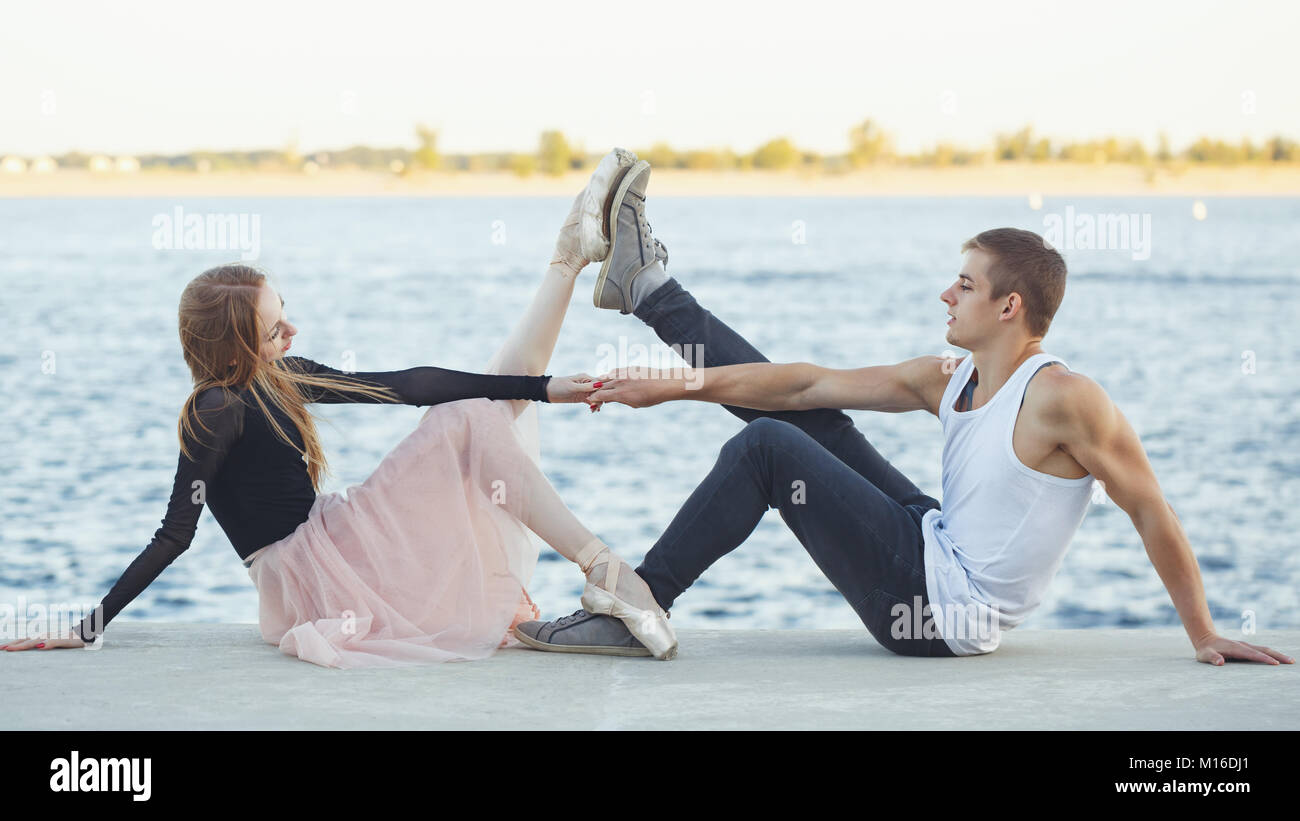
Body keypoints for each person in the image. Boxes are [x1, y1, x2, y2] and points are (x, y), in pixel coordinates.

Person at [515, 158, 1294, 667]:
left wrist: (1203, 632)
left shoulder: (1066, 398)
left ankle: (636, 605)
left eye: (964, 284)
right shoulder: (946, 377)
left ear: (1008, 305)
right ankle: (647, 288)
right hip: (933, 543)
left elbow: (1150, 506)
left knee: (772, 450)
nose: (946, 294)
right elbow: (804, 384)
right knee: (808, 425)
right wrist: (672, 383)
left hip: (938, 612)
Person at [1, 150, 678, 667]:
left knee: (481, 398)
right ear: (235, 348)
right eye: (274, 330)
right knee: (471, 416)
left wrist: (543, 389)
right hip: (314, 582)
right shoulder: (215, 411)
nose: (291, 335)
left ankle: (570, 256)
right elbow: (174, 533)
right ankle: (606, 570)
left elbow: (405, 385)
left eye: (284, 316)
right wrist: (89, 625)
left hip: (338, 542)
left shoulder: (277, 378)